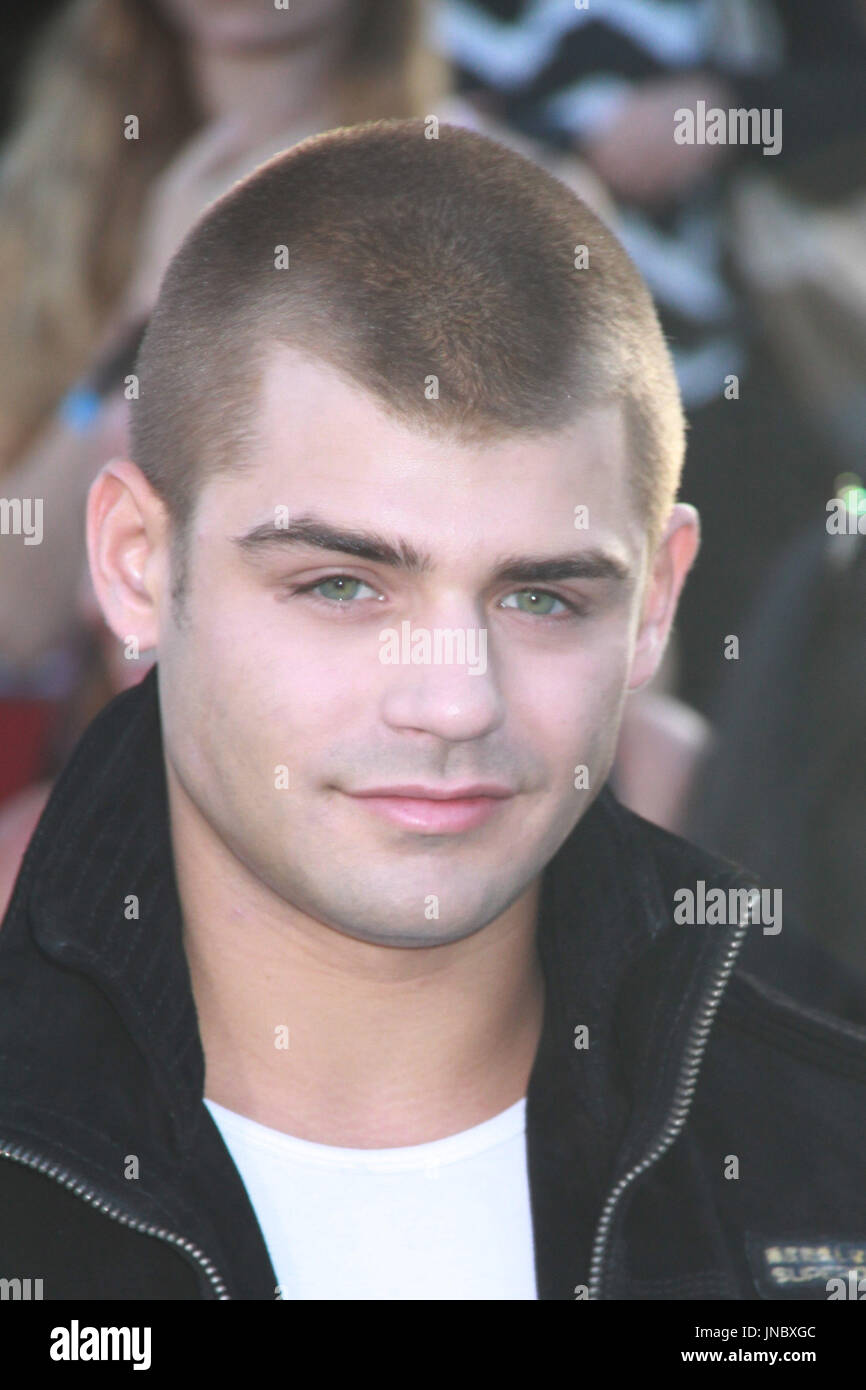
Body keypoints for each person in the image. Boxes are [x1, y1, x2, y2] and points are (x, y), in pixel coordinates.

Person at [1, 119, 863, 1303]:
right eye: (342, 585)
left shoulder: (827, 1161)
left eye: (543, 597)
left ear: (655, 601)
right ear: (137, 566)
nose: (455, 697)